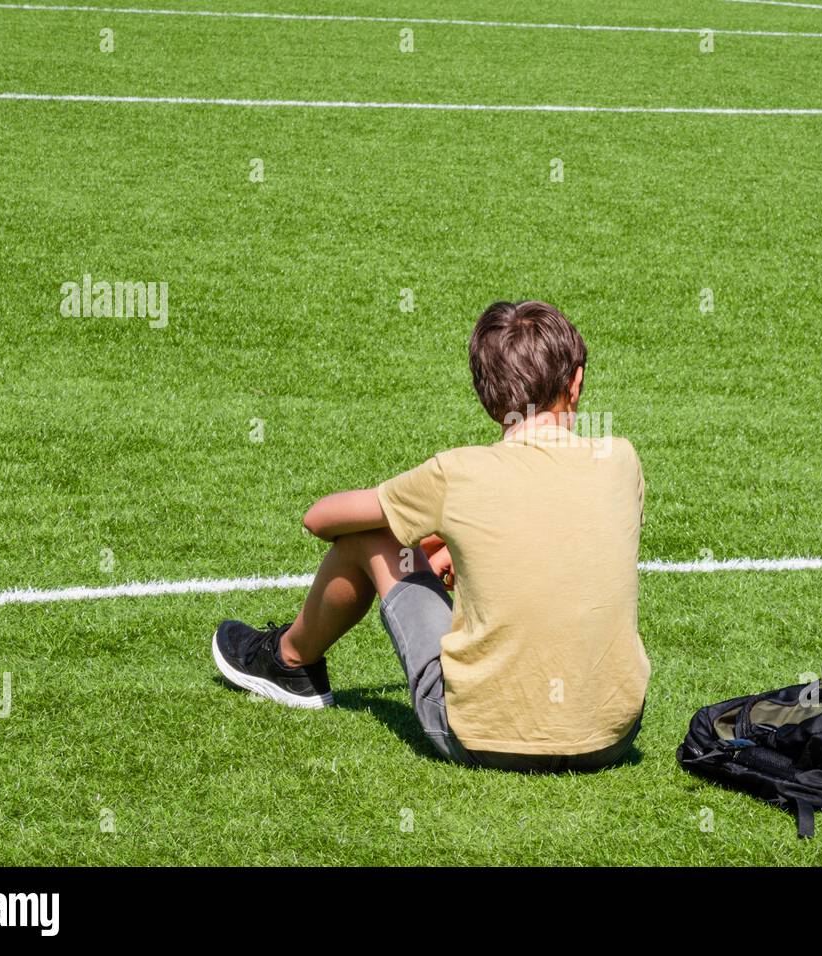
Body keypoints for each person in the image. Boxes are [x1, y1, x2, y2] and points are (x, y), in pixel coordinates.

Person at [212, 300, 649, 771]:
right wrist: (452, 545)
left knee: (368, 536)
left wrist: (424, 544)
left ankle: (289, 661)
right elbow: (558, 534)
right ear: (576, 380)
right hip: (612, 736)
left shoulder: (459, 473)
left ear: (486, 396)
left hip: (481, 736)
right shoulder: (621, 461)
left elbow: (319, 518)